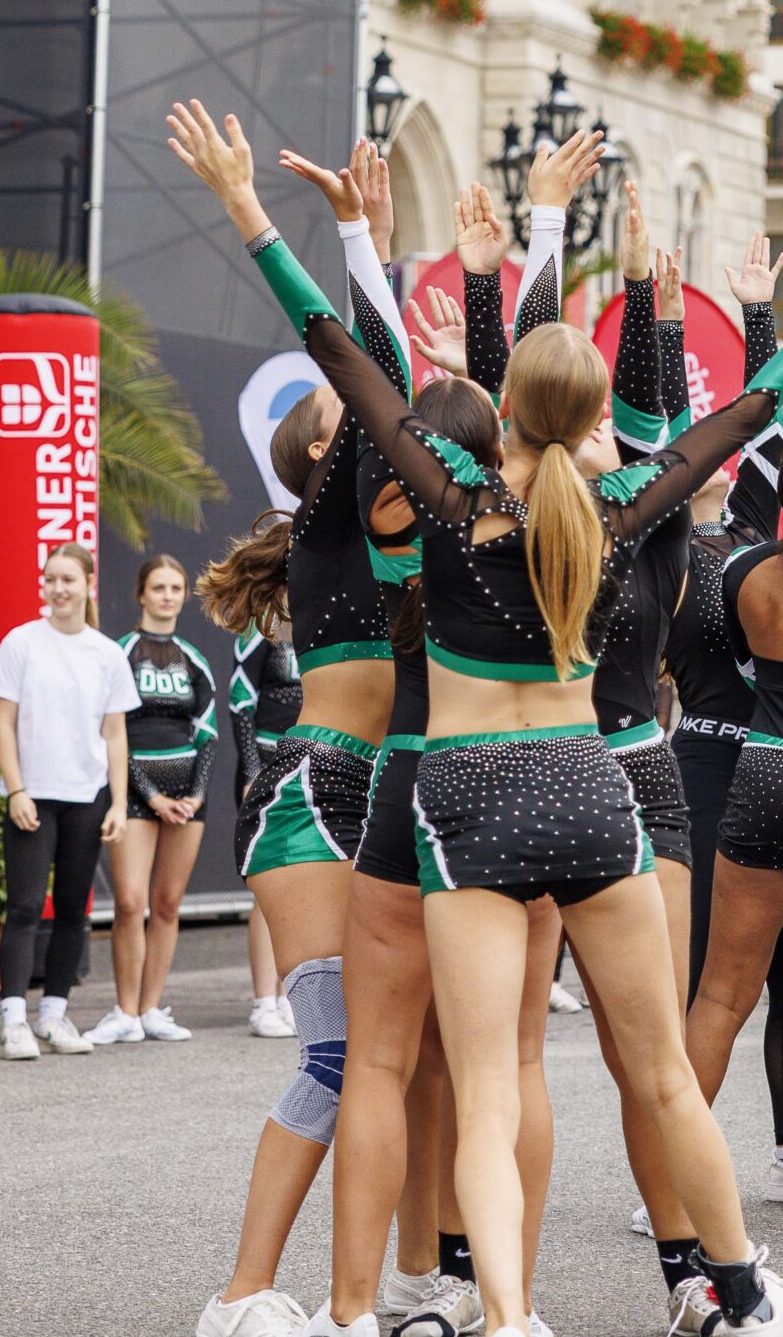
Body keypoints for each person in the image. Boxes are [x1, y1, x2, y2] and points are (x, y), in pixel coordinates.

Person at [299, 213, 783, 1337]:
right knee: (667, 1070)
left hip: (470, 790)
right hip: (593, 786)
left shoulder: (458, 501)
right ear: (587, 423)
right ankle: (736, 1286)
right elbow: (746, 413)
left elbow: (346, 353)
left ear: (503, 412)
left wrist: (263, 219)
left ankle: (512, 1315)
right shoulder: (626, 508)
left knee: (487, 1089)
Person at [171, 111, 584, 1337]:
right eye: (344, 421)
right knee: (342, 1055)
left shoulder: (460, 531)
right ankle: (241, 1293)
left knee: (443, 1060)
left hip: (414, 797)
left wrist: (520, 247)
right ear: (336, 458)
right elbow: (354, 353)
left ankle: (418, 1277)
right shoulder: (333, 527)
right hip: (316, 794)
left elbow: (539, 397)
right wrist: (308, 224)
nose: (360, 417)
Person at [667, 257, 783, 1221]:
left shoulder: (746, 536)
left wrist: (758, 313)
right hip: (700, 758)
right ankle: (675, 1159)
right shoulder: (657, 543)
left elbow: (769, 430)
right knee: (705, 974)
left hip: (781, 764)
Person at [0, 542, 135, 1058]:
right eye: (50, 579)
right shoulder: (20, 643)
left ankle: (53, 1014)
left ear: (87, 584)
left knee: (74, 910)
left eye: (67, 579)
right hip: (33, 798)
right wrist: (17, 789)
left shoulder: (106, 653)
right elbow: (2, 723)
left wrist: (118, 803)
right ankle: (13, 1020)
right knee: (25, 906)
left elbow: (114, 734)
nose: (58, 589)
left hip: (86, 797)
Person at [89, 554, 220, 1046]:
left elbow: (208, 732)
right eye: (158, 587)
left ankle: (151, 1008)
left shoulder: (194, 657)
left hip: (188, 797)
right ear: (141, 594)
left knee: (167, 904)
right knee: (129, 902)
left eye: (176, 588)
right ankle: (124, 1010)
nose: (167, 596)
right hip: (137, 792)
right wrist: (153, 796)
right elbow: (110, 728)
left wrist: (194, 795)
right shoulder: (119, 652)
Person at [227, 616, 301, 1038]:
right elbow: (241, 700)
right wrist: (253, 771)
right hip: (267, 763)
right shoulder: (262, 628)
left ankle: (293, 997)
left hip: (311, 760)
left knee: (305, 883)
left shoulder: (320, 616)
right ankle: (262, 1002)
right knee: (269, 881)